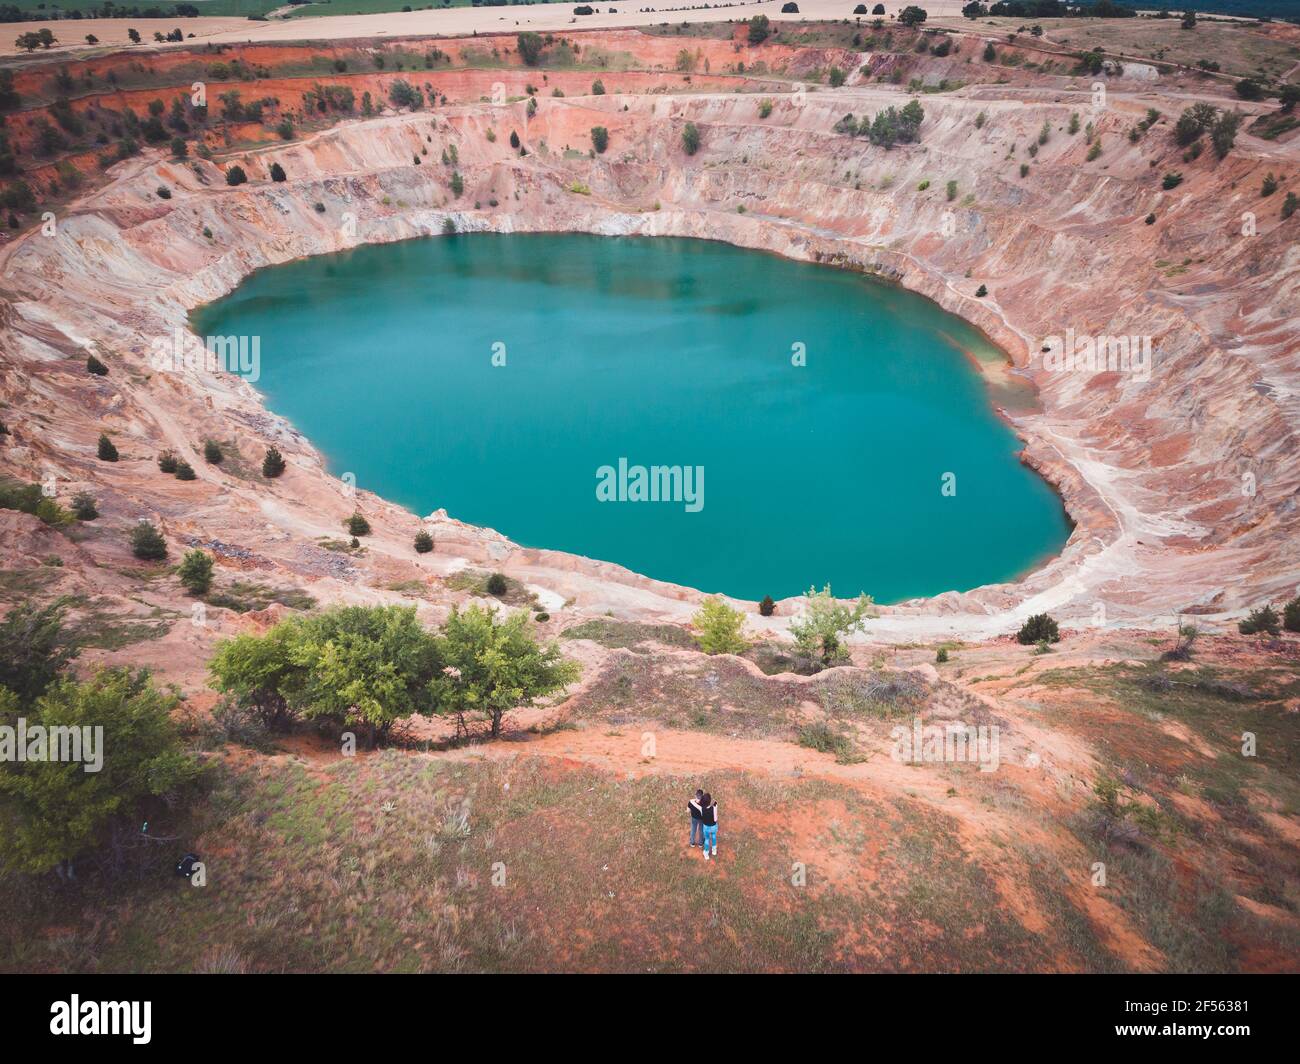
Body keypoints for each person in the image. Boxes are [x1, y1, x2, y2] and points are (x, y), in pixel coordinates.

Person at [699, 792, 718, 859]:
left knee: (707, 839)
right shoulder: (714, 808)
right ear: (709, 801)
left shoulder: (702, 809)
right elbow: (715, 819)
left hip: (706, 827)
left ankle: (706, 854)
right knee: (714, 837)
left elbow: (703, 814)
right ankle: (714, 851)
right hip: (713, 827)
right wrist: (715, 805)